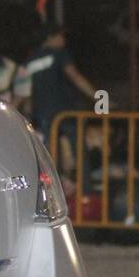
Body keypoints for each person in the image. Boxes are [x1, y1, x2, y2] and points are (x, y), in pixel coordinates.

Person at [22, 22, 101, 171]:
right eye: (61, 36)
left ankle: (56, 190)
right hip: (66, 112)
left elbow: (25, 91)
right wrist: (97, 97)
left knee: (51, 156)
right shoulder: (59, 54)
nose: (63, 39)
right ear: (50, 37)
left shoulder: (30, 61)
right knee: (79, 152)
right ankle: (85, 190)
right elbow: (75, 76)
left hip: (43, 114)